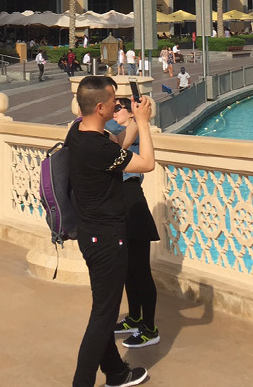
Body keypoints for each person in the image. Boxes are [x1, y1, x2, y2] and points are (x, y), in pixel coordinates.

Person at [65, 75, 156, 387]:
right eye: (114, 100)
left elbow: (117, 147)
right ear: (101, 106)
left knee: (101, 309)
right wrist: (143, 123)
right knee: (103, 317)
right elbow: (146, 164)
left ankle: (116, 372)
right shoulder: (95, 147)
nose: (118, 103)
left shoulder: (78, 132)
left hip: (89, 232)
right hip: (106, 239)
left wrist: (133, 121)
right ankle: (82, 381)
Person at [106, 98, 161, 350]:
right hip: (120, 206)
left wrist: (140, 121)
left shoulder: (131, 133)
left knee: (140, 271)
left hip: (133, 205)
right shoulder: (115, 129)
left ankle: (149, 328)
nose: (114, 112)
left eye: (119, 108)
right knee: (128, 270)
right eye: (112, 107)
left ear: (131, 114)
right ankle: (135, 318)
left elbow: (120, 145)